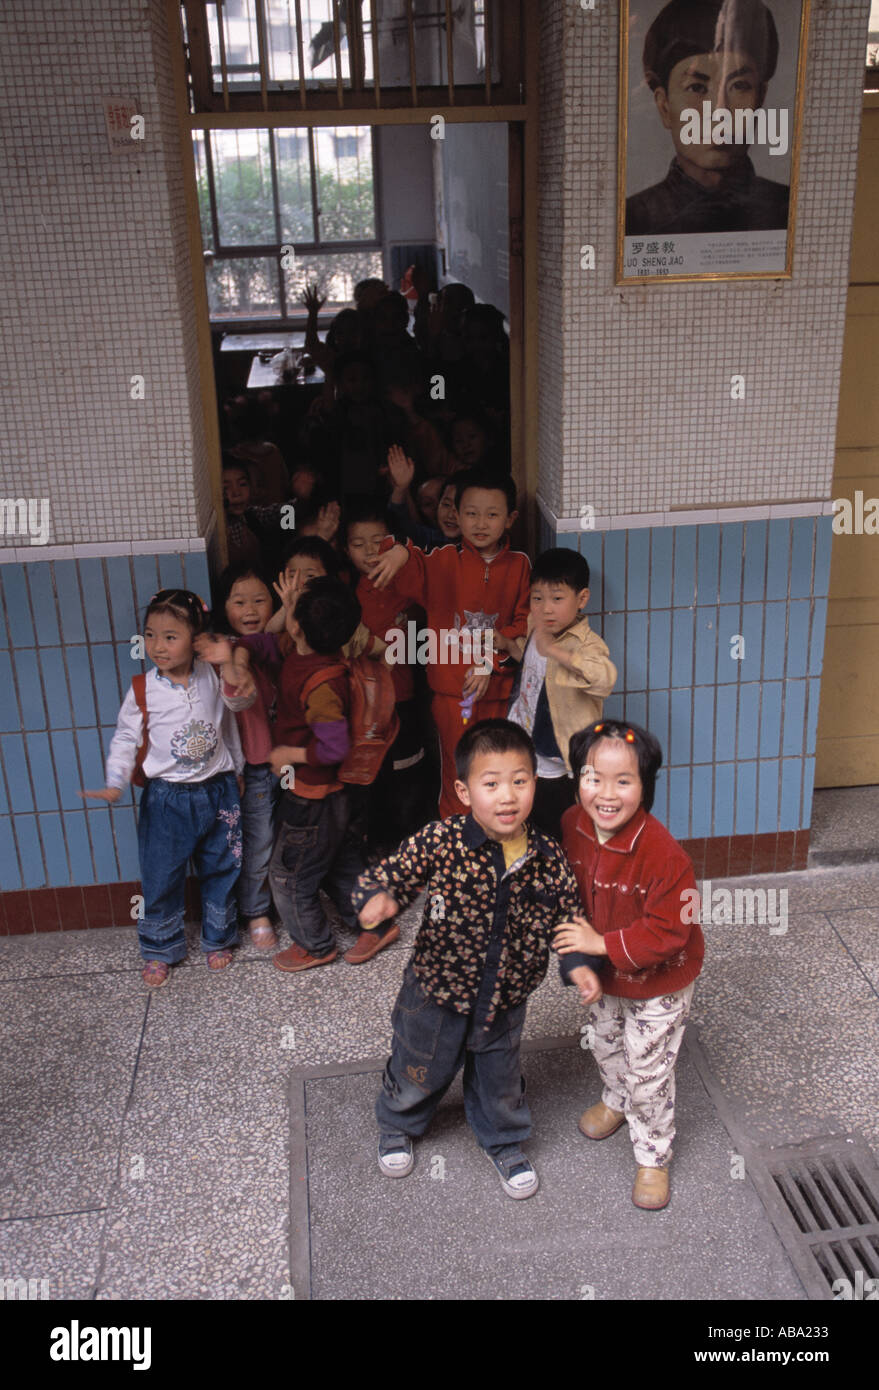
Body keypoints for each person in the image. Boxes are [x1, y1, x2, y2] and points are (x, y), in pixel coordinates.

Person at [353, 719, 604, 1197]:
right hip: (436, 990)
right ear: (464, 791)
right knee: (419, 1064)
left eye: (520, 780)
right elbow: (399, 869)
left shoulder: (548, 857)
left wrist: (580, 967)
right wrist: (382, 897)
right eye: (491, 784)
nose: (507, 796)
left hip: (505, 998)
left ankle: (504, 1139)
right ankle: (398, 1121)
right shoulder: (442, 840)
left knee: (499, 1076)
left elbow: (568, 921)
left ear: (536, 782)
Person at [554, 719, 704, 1211]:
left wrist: (601, 942)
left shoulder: (664, 855)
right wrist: (581, 955)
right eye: (594, 777)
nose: (606, 793)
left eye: (624, 781)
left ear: (646, 787)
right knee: (604, 1041)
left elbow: (670, 930)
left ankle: (653, 1154)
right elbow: (566, 895)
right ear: (578, 778)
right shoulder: (571, 824)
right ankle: (615, 1100)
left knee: (649, 1071)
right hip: (606, 974)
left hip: (660, 980)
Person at [81, 589, 250, 987]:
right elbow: (126, 738)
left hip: (218, 790)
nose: (157, 645)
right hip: (167, 799)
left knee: (223, 866)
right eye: (151, 635)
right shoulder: (143, 689)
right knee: (161, 875)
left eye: (170, 636)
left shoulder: (212, 674)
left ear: (196, 639)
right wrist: (114, 781)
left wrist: (238, 769)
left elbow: (233, 720)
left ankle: (218, 937)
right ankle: (160, 948)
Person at [370, 468, 531, 819]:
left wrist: (492, 662)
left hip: (502, 693)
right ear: (456, 516)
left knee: (501, 774)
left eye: (492, 514)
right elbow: (408, 575)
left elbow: (522, 627)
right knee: (459, 773)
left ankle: (496, 843)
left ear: (511, 519)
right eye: (471, 513)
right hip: (452, 696)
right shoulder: (443, 561)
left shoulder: (521, 568)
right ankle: (458, 845)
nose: (481, 523)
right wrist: (398, 551)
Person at [267, 577, 399, 972]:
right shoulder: (320, 657)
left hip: (313, 795)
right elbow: (276, 640)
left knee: (289, 874)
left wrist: (290, 753)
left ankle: (314, 944)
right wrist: (292, 607)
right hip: (337, 795)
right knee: (339, 862)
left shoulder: (322, 685)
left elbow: (333, 748)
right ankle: (376, 925)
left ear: (299, 628)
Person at [625, 0, 788, 236]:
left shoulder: (787, 210)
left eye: (739, 85)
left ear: (761, 97)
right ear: (664, 106)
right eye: (696, 87)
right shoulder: (633, 218)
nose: (720, 112)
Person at [506, 549, 618, 840]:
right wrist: (506, 644)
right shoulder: (536, 626)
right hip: (526, 747)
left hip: (559, 765)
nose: (545, 608)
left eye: (557, 598)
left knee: (558, 835)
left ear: (581, 599)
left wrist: (556, 651)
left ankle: (559, 881)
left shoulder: (587, 645)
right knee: (526, 828)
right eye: (537, 598)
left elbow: (604, 679)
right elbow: (532, 665)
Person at [342, 499, 428, 854]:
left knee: (407, 772)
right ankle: (374, 846)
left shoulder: (407, 583)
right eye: (358, 544)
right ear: (345, 548)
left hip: (406, 697)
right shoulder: (345, 590)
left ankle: (407, 843)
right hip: (361, 704)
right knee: (370, 775)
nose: (368, 551)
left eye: (377, 541)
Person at [212, 564, 283, 951]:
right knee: (258, 840)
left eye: (260, 600)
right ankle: (256, 911)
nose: (251, 609)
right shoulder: (224, 651)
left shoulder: (271, 642)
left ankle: (282, 901)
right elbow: (236, 696)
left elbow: (270, 633)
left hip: (285, 763)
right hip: (253, 770)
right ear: (225, 607)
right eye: (240, 602)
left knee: (282, 836)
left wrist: (290, 605)